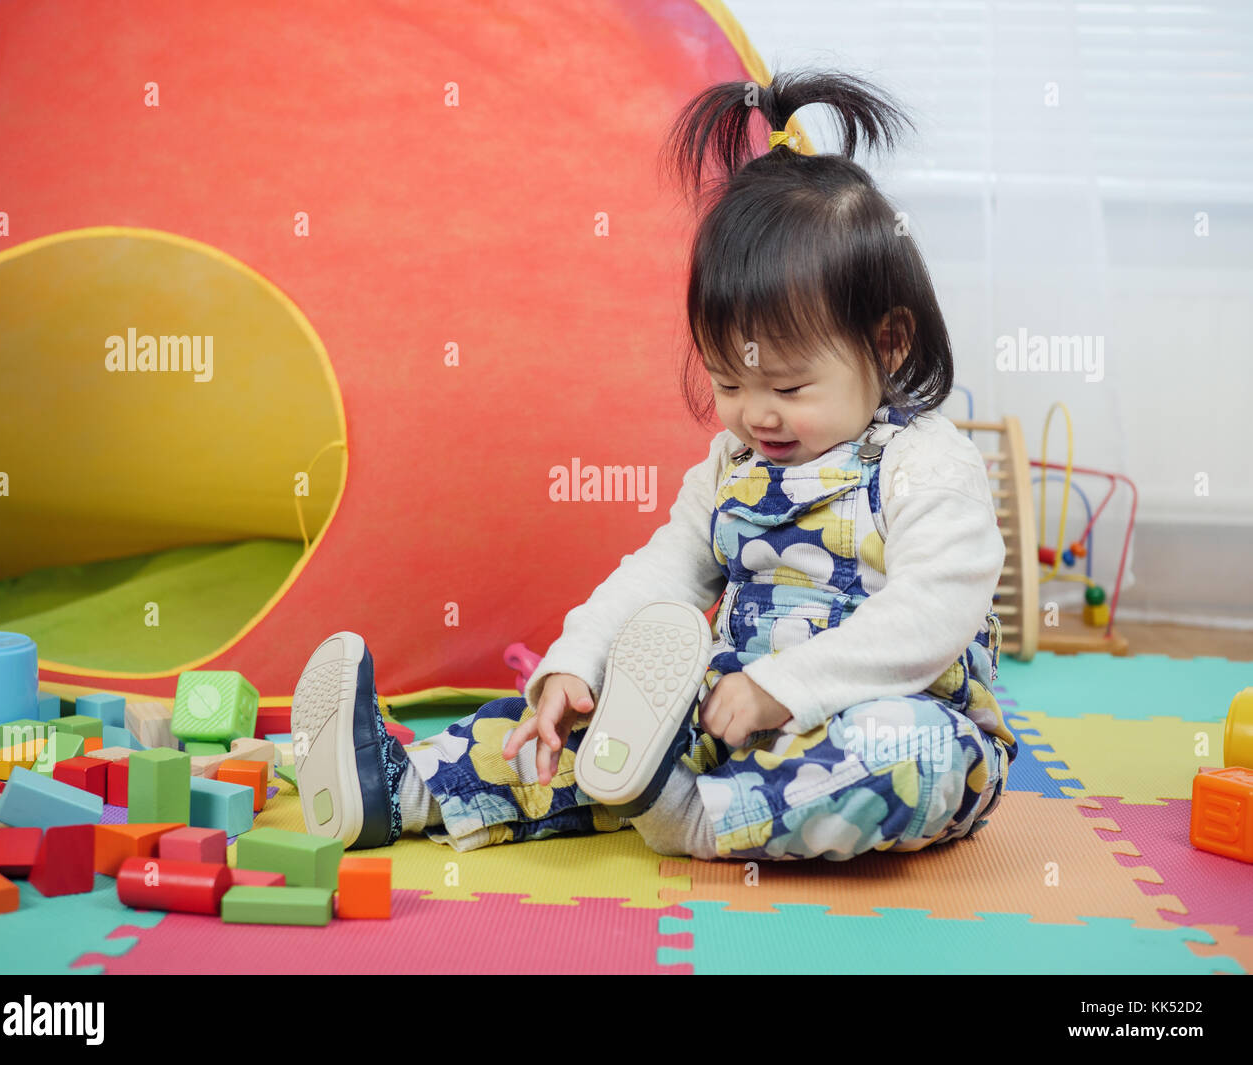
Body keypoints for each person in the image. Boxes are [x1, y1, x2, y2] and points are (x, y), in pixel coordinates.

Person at [291, 68, 1018, 862]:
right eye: (729, 380)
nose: (757, 413)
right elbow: (658, 574)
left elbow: (932, 612)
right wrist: (575, 664)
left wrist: (788, 687)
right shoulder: (731, 466)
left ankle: (695, 818)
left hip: (873, 722)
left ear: (888, 343)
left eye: (789, 385)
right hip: (723, 716)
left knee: (908, 751)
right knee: (568, 726)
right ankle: (401, 787)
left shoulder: (926, 464)